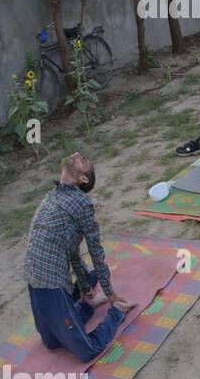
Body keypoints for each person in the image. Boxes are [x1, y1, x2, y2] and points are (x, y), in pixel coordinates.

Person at [23, 153, 135, 363]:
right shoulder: (54, 194)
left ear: (82, 179)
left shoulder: (81, 202)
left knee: (88, 350)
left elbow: (95, 250)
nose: (75, 155)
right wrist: (85, 288)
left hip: (51, 283)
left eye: (82, 160)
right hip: (32, 277)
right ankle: (86, 306)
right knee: (51, 341)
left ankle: (116, 313)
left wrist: (110, 294)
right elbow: (72, 249)